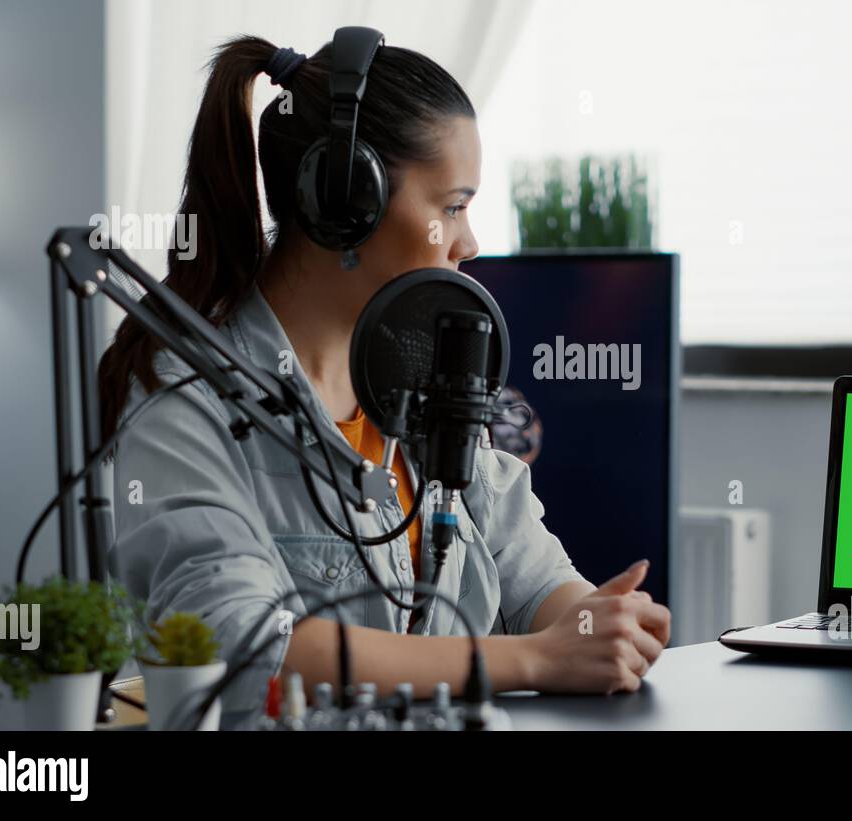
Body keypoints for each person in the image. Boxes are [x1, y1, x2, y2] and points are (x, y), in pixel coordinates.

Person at [98, 31, 670, 725]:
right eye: (452, 206)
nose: (469, 242)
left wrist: (594, 624)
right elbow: (245, 646)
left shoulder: (423, 370)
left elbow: (532, 576)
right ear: (346, 204)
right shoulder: (184, 393)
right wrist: (536, 659)